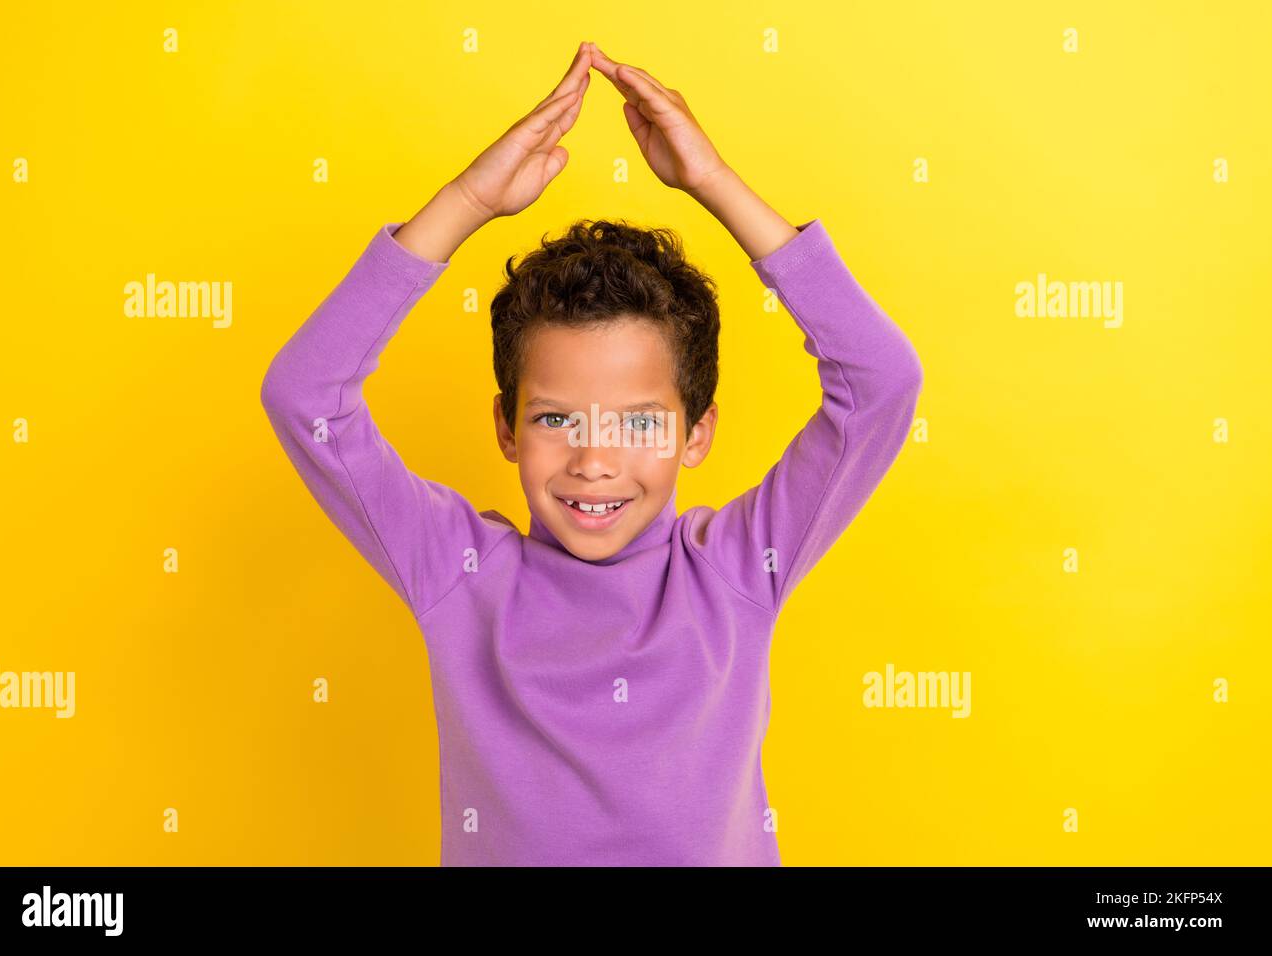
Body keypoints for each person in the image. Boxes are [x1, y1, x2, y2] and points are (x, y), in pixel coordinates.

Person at [260, 41, 924, 865]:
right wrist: (465, 201)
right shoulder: (459, 575)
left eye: (639, 423)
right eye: (555, 420)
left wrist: (714, 183)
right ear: (505, 426)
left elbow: (883, 381)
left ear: (697, 434)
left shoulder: (738, 571)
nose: (593, 460)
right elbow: (304, 396)